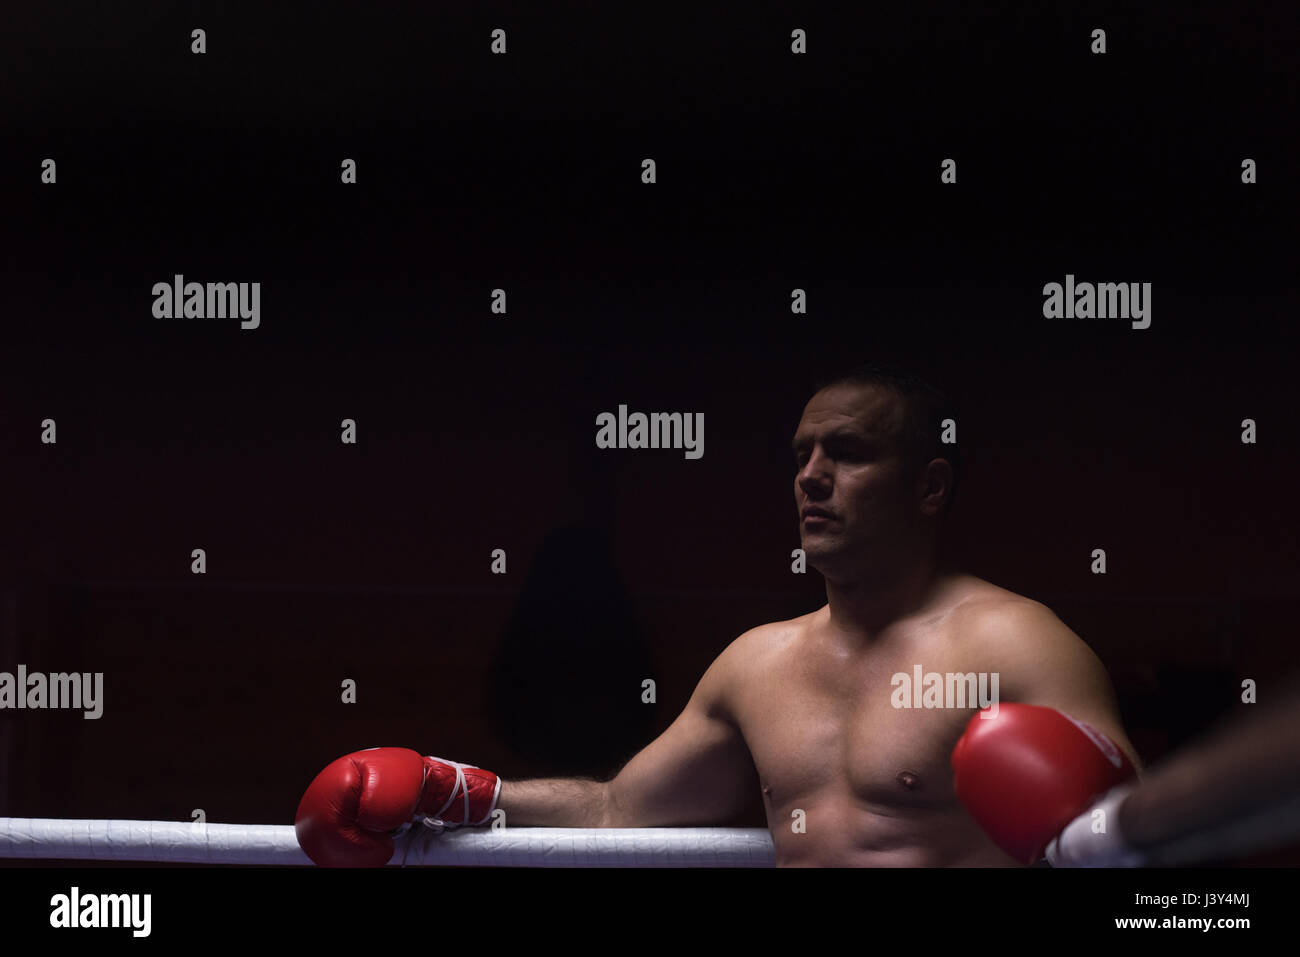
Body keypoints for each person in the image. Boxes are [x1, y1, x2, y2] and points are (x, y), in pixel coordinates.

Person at [296, 364, 1142, 866]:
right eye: (801, 455)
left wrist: (1094, 816)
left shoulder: (1011, 640)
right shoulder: (758, 664)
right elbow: (616, 813)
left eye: (847, 452)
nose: (812, 476)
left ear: (930, 486)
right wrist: (455, 791)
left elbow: (1140, 847)